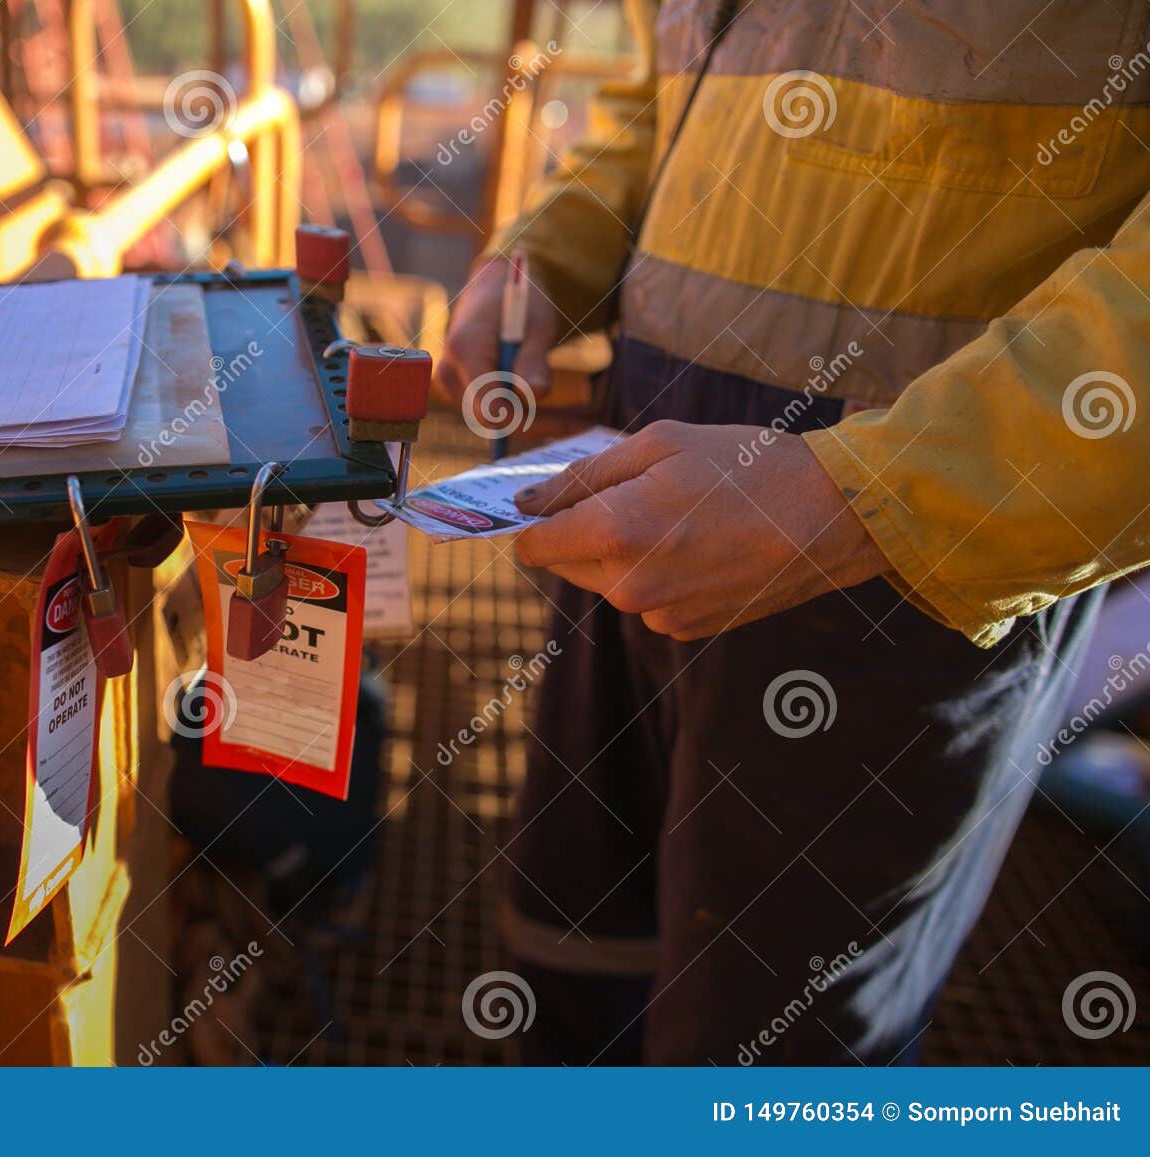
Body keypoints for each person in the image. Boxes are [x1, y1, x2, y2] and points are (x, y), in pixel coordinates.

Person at [437, 0, 1148, 1064]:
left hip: (913, 546)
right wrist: (543, 252)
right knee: (578, 948)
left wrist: (855, 499)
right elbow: (665, 97)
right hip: (647, 468)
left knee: (769, 1046)